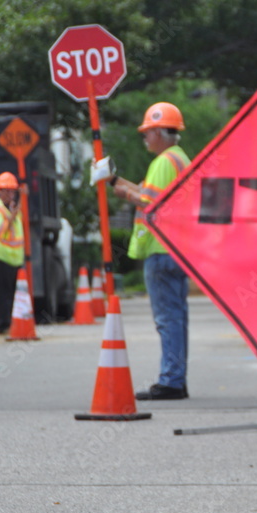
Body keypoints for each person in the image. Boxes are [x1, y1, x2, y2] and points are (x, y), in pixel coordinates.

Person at [92, 102, 191, 400]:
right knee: (177, 318)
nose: (145, 137)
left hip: (160, 249)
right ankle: (176, 378)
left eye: (147, 132)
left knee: (167, 320)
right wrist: (113, 180)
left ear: (160, 132)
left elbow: (148, 202)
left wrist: (124, 193)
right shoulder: (179, 159)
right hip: (177, 248)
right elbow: (149, 193)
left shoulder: (162, 162)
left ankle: (171, 381)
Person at [0, 172, 24, 335]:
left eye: (12, 191)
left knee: (14, 294)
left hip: (15, 258)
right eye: (7, 191)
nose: (11, 194)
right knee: (3, 295)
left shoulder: (11, 207)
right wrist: (12, 216)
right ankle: (3, 326)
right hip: (2, 257)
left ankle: (14, 324)